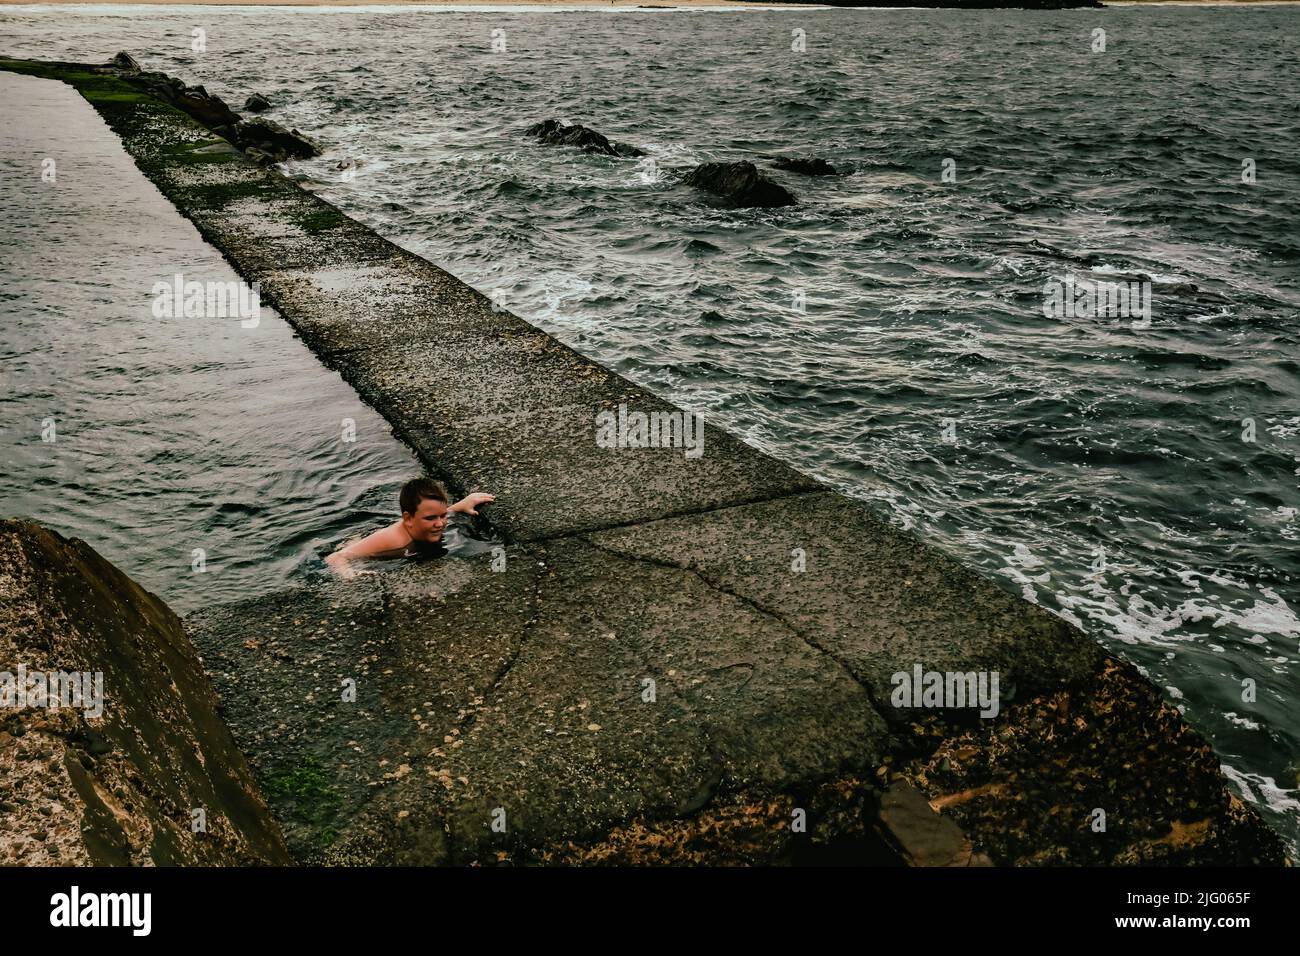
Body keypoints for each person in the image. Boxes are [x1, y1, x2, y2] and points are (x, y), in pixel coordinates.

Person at [325, 477, 494, 574]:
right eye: (431, 518)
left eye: (443, 515)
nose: (440, 523)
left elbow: (437, 513)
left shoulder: (429, 519)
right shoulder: (394, 541)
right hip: (360, 552)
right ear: (408, 518)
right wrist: (351, 575)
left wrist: (461, 505)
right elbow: (335, 557)